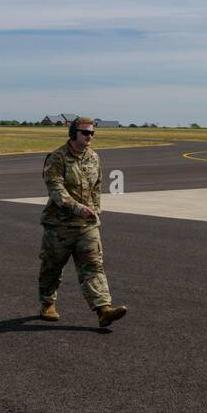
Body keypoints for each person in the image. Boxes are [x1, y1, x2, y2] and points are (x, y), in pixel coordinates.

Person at [37, 116, 127, 328]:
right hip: (59, 225)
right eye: (85, 133)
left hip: (87, 226)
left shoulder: (94, 157)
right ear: (73, 134)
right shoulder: (56, 158)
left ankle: (103, 309)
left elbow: (97, 185)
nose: (90, 136)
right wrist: (77, 208)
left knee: (93, 266)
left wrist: (96, 209)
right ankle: (47, 303)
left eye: (92, 133)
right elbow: (55, 189)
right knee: (52, 267)